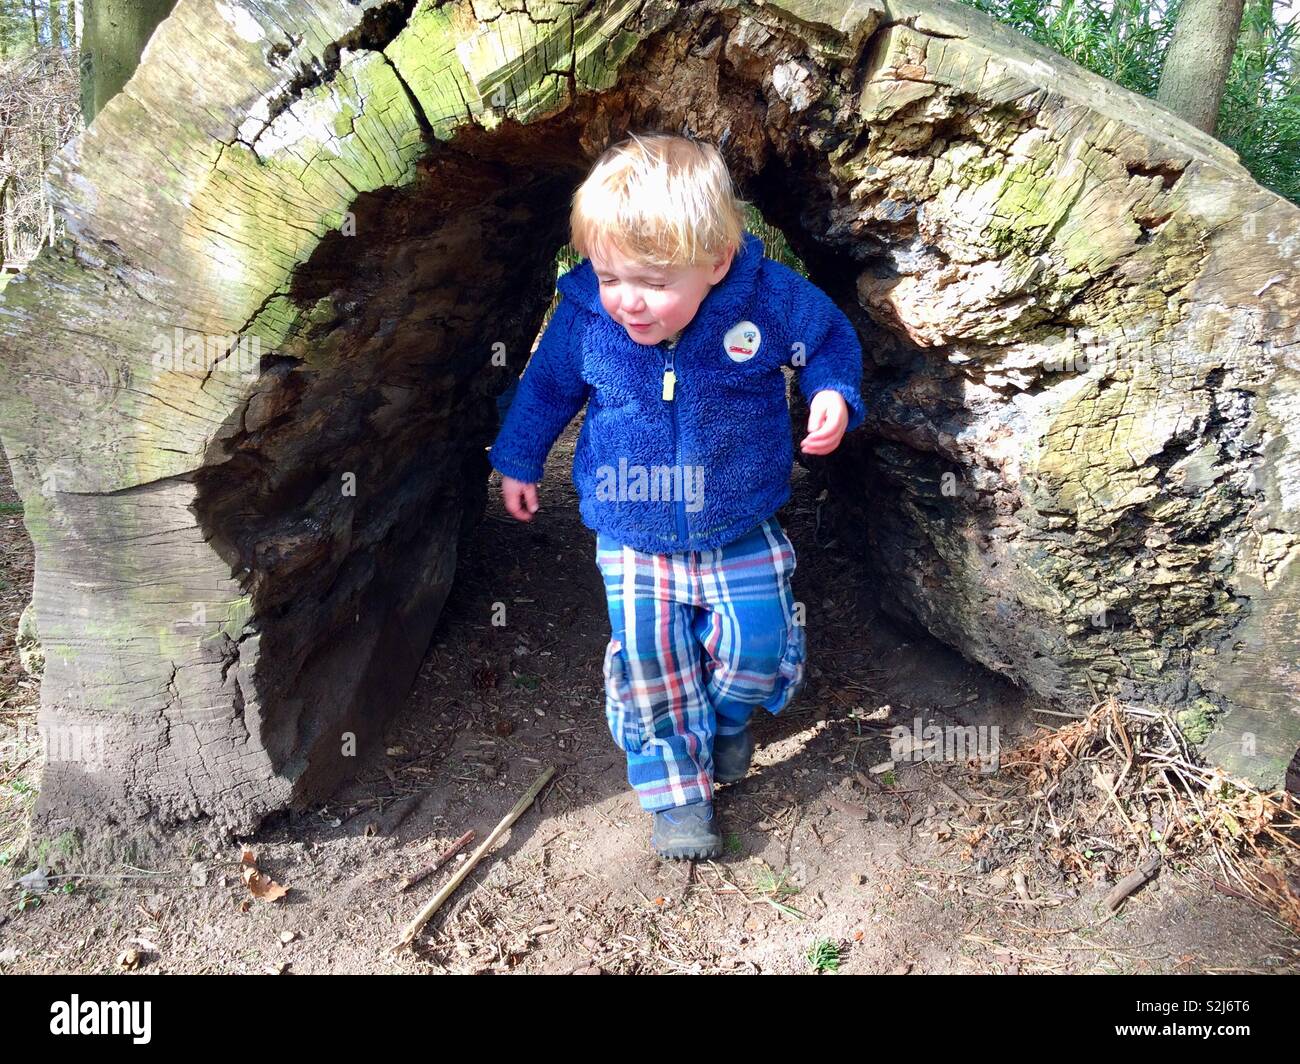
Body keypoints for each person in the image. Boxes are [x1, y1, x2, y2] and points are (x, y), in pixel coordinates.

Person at [488, 132, 865, 859]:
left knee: (755, 644)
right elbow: (545, 390)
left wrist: (831, 392)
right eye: (609, 275)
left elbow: (827, 340)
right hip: (632, 531)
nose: (629, 301)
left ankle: (727, 721)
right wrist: (518, 458)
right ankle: (677, 796)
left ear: (717, 261)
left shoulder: (764, 299)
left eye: (656, 283)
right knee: (654, 664)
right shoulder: (588, 322)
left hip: (740, 517)